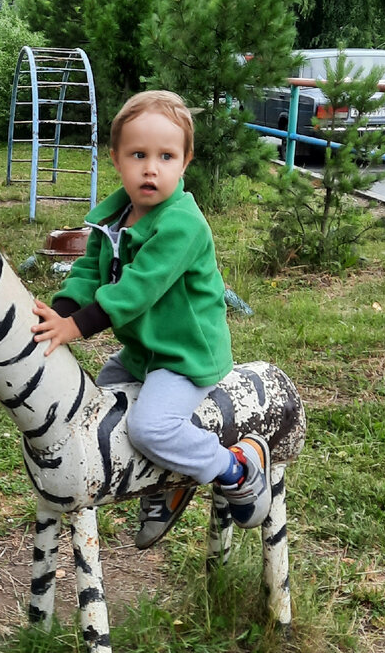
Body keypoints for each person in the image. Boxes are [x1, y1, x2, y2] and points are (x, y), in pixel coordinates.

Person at [30, 90, 271, 549]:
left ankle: (235, 468)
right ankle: (164, 482)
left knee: (149, 427)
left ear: (185, 161)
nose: (151, 168)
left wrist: (76, 327)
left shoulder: (182, 224)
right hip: (143, 350)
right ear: (116, 159)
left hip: (184, 354)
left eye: (166, 156)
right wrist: (58, 313)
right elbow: (86, 272)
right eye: (138, 155)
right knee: (98, 402)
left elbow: (136, 289)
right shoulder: (113, 216)